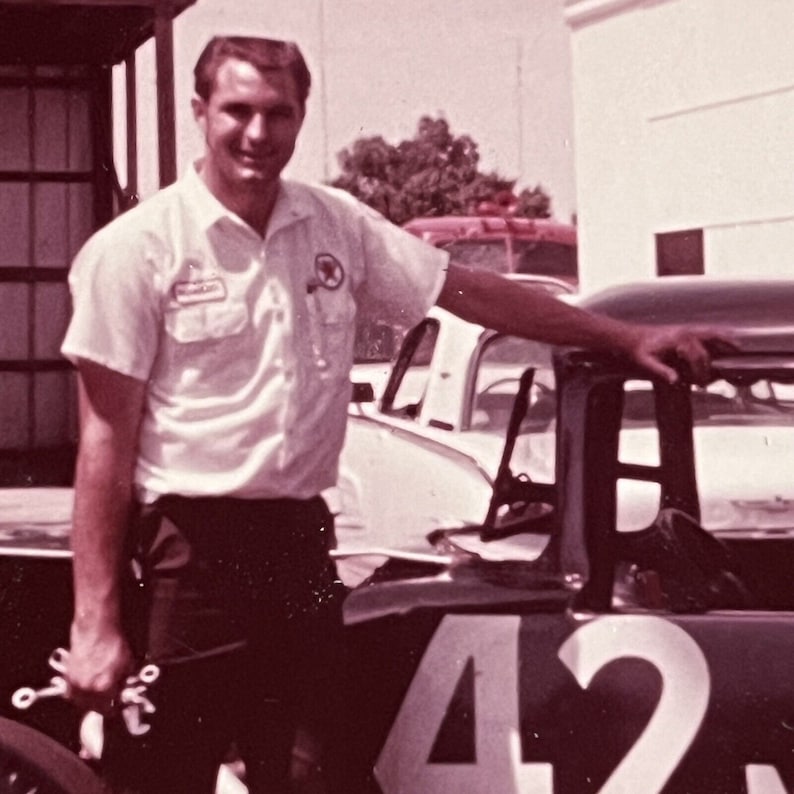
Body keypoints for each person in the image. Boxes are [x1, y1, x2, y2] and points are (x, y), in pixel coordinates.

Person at [61, 35, 727, 794]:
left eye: (278, 113)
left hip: (300, 543)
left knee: (324, 777)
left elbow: (467, 292)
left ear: (301, 115)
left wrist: (624, 335)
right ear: (199, 113)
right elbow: (102, 445)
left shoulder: (333, 224)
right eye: (236, 110)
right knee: (165, 778)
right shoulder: (138, 251)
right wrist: (96, 622)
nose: (257, 133)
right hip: (189, 552)